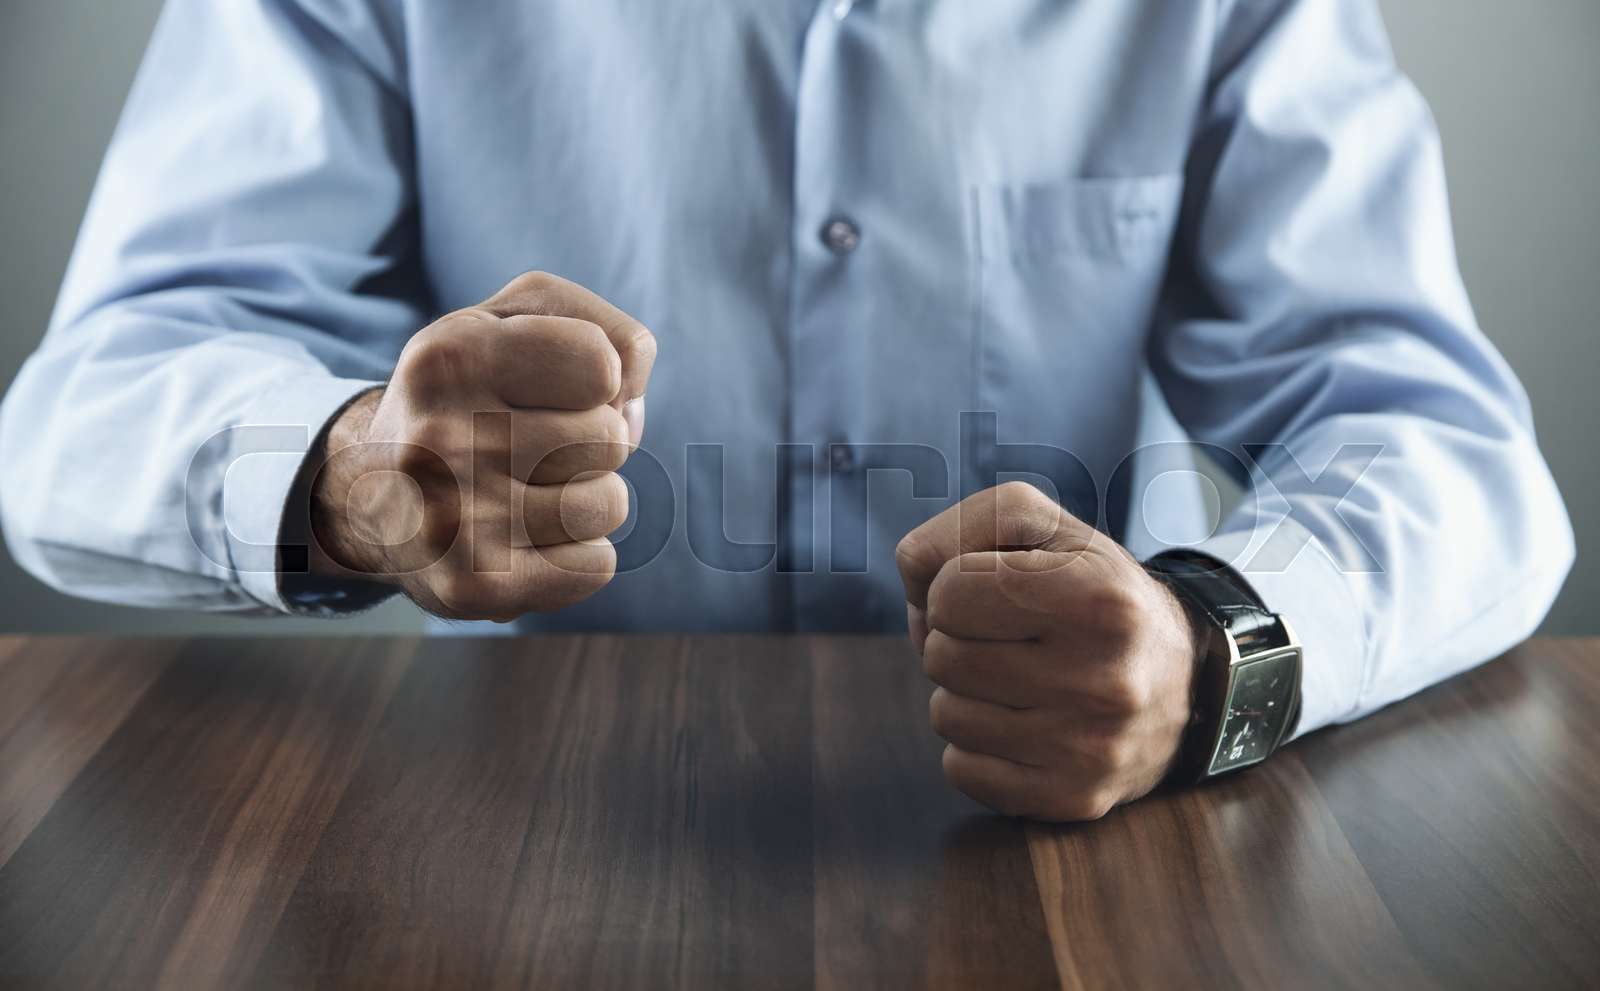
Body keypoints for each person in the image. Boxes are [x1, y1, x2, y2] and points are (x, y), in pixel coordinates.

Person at [0, 0, 1573, 821]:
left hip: (1087, 860)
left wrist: (1219, 644)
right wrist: (353, 474)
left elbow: (1449, 449)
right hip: (512, 852)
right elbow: (83, 409)